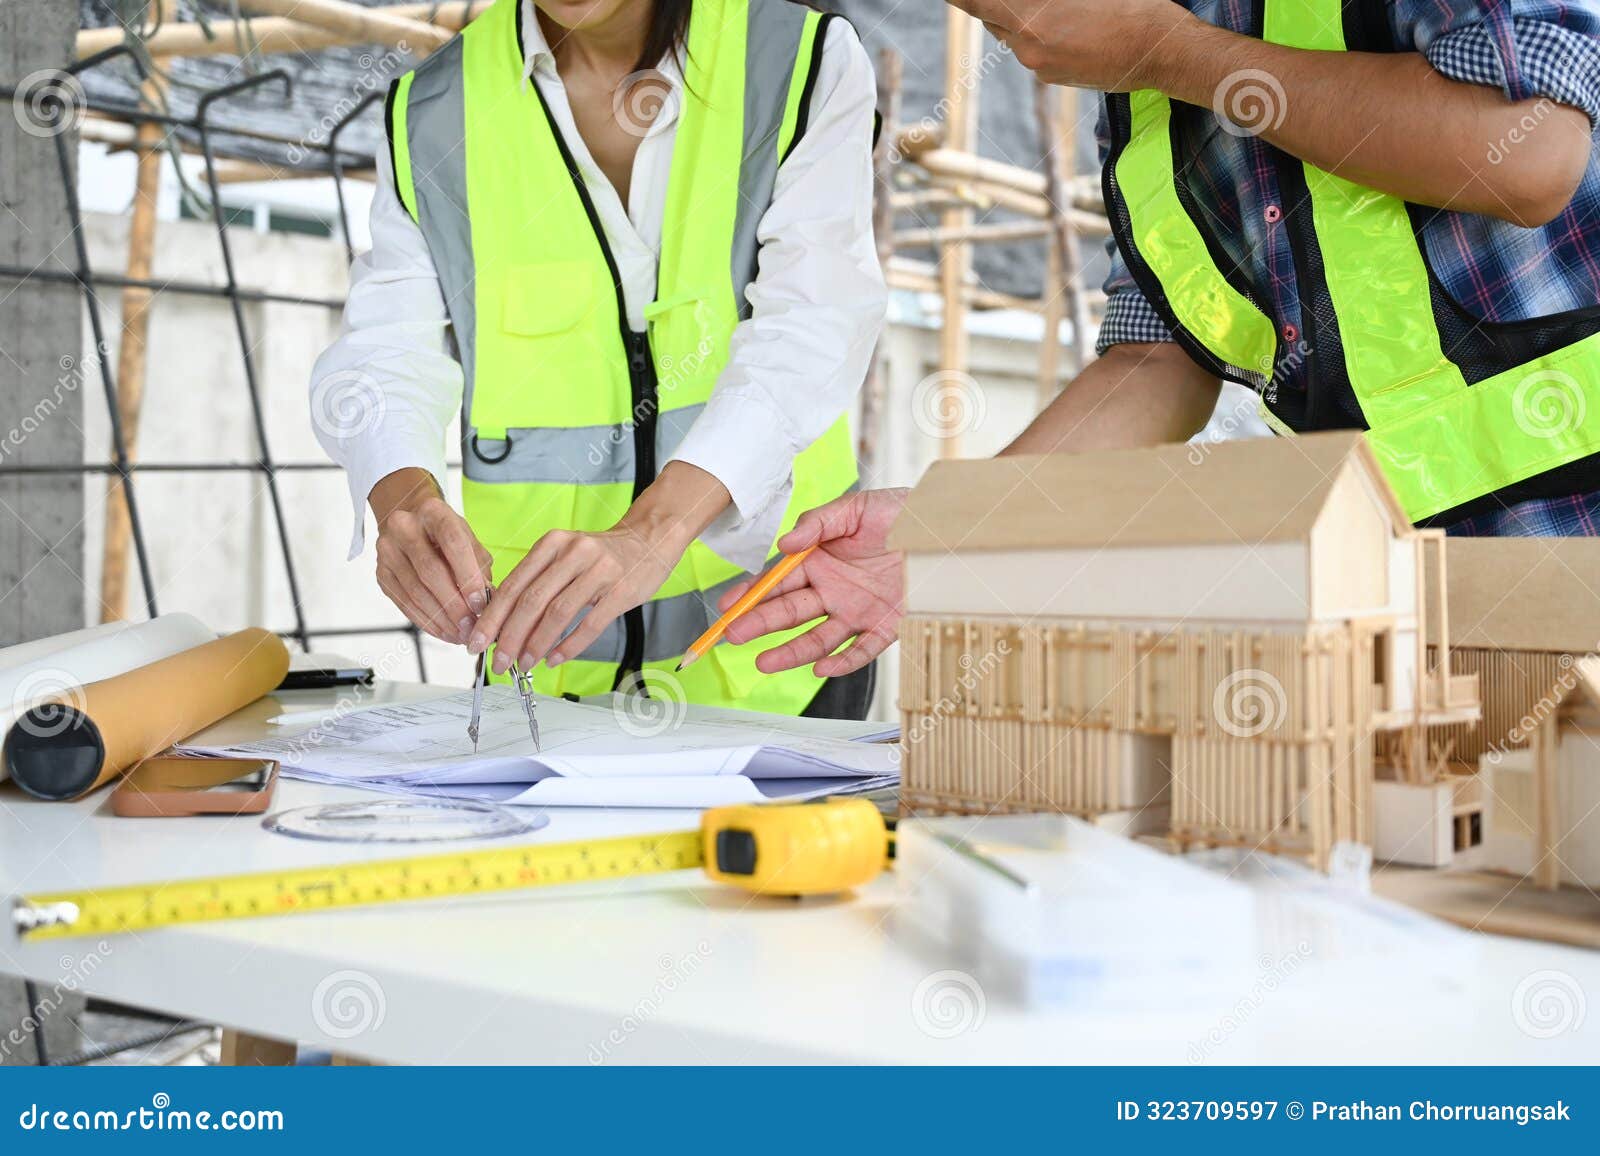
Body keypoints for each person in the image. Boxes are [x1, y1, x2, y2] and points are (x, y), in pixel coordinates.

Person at [720, 0, 1600, 678]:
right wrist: (951, 534)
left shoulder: (1158, 44)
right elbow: (1157, 358)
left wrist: (1172, 54)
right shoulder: (1138, 62)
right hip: (1402, 599)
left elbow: (1530, 150)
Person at [310, 0, 885, 718]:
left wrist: (652, 534)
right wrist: (403, 500)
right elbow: (387, 347)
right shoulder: (433, 111)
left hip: (781, 666)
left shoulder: (799, 60)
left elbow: (814, 323)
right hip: (545, 701)